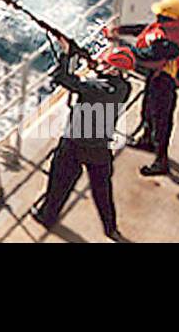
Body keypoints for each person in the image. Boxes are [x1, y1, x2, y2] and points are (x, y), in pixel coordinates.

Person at [31, 47, 135, 241]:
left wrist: (66, 55)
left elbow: (61, 78)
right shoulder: (124, 88)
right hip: (100, 148)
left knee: (59, 183)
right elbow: (100, 83)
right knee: (102, 192)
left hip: (74, 144)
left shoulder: (94, 87)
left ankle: (46, 216)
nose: (101, 63)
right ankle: (110, 228)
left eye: (106, 63)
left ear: (114, 70)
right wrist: (95, 66)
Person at [128, 0, 179, 176]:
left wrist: (125, 50)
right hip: (157, 77)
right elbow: (146, 30)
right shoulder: (175, 26)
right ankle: (146, 139)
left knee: (161, 121)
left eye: (161, 17)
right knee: (147, 110)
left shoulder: (170, 41)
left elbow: (147, 55)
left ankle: (161, 161)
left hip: (165, 81)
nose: (157, 20)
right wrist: (121, 30)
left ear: (169, 19)